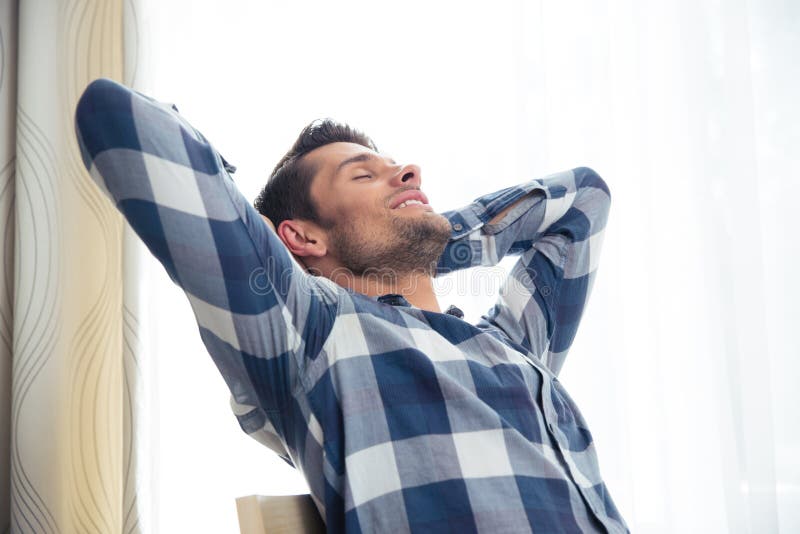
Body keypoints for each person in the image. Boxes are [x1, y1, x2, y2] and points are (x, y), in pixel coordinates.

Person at [75, 77, 629, 533]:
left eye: (398, 169)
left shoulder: (511, 345)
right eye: (364, 174)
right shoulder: (311, 331)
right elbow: (116, 121)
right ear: (303, 238)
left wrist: (435, 239)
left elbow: (583, 199)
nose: (409, 171)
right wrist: (264, 246)